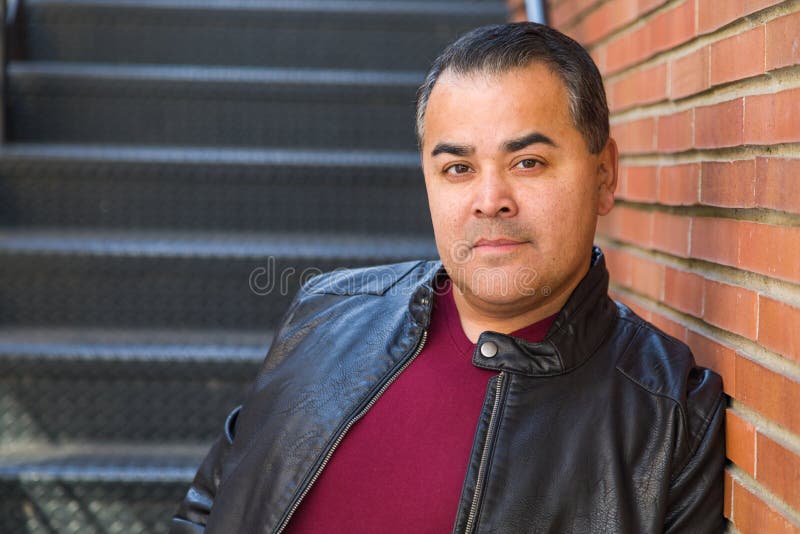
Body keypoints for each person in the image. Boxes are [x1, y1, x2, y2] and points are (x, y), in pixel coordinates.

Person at [171, 22, 725, 534]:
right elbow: (206, 510)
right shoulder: (327, 309)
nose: (490, 202)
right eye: (458, 169)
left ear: (604, 176)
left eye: (527, 162)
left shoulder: (667, 414)